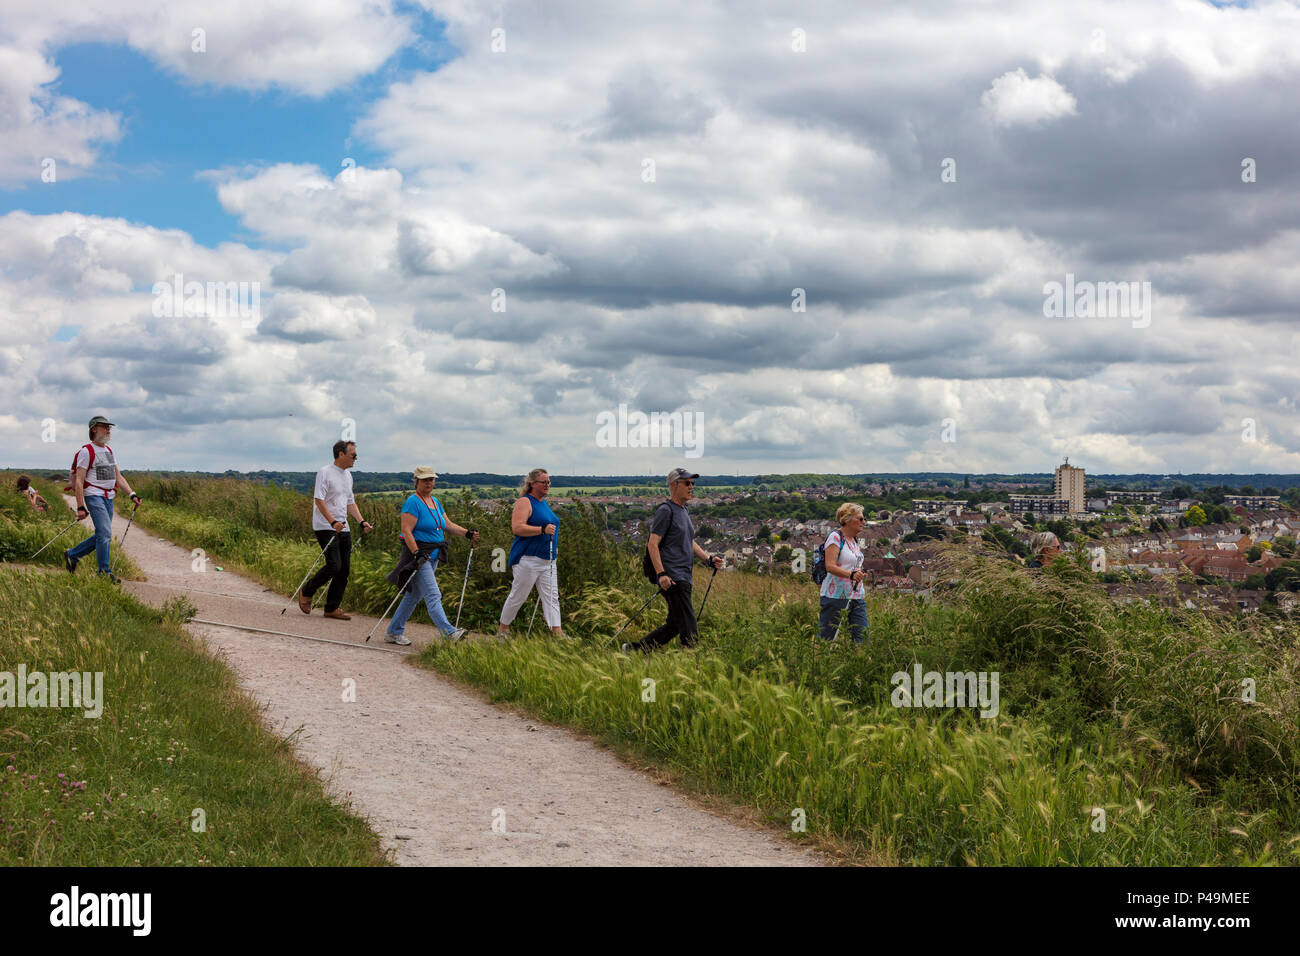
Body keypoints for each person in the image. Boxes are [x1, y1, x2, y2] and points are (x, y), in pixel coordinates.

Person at [622, 467, 723, 654]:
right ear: (673, 485)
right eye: (687, 483)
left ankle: (634, 650)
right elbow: (652, 544)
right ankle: (691, 660)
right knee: (688, 622)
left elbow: (688, 541)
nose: (691, 486)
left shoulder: (683, 510)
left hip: (684, 574)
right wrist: (662, 574)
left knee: (676, 623)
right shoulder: (666, 510)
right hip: (673, 577)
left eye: (692, 483)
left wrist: (708, 559)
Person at [385, 467, 479, 645]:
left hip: (434, 555)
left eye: (431, 479)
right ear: (416, 481)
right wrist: (416, 553)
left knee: (414, 596)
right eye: (424, 480)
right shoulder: (413, 502)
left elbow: (447, 525)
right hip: (419, 556)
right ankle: (449, 633)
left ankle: (393, 632)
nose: (429, 483)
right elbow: (406, 530)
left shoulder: (435, 501)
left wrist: (466, 533)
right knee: (433, 594)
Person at [299, 440, 372, 619]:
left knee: (344, 569)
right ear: (341, 454)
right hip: (325, 525)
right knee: (334, 565)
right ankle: (307, 591)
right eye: (353, 455)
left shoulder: (348, 476)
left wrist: (361, 522)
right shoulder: (325, 472)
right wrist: (332, 522)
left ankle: (331, 608)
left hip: (343, 527)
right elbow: (319, 500)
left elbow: (350, 502)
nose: (356, 458)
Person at [64, 416, 141, 581]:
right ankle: (104, 573)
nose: (108, 430)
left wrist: (132, 494)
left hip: (108, 497)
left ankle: (73, 554)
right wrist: (80, 506)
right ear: (94, 429)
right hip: (93, 495)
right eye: (104, 427)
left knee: (102, 534)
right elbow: (79, 480)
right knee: (105, 533)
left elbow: (118, 477)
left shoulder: (109, 451)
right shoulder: (87, 451)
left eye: (109, 428)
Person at [498, 468, 562, 638]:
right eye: (544, 482)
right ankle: (503, 630)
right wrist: (542, 530)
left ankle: (558, 634)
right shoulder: (525, 502)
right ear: (532, 484)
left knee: (552, 597)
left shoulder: (543, 502)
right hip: (528, 559)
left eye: (549, 482)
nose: (547, 485)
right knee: (519, 595)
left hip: (548, 560)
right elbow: (517, 528)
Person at [819, 503, 869, 644]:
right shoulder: (836, 537)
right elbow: (830, 566)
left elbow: (852, 564)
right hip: (835, 595)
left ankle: (861, 665)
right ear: (847, 519)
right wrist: (851, 575)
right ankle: (816, 664)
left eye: (864, 519)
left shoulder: (854, 540)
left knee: (863, 638)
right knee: (826, 638)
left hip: (857, 595)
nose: (863, 522)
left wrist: (859, 573)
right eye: (860, 519)